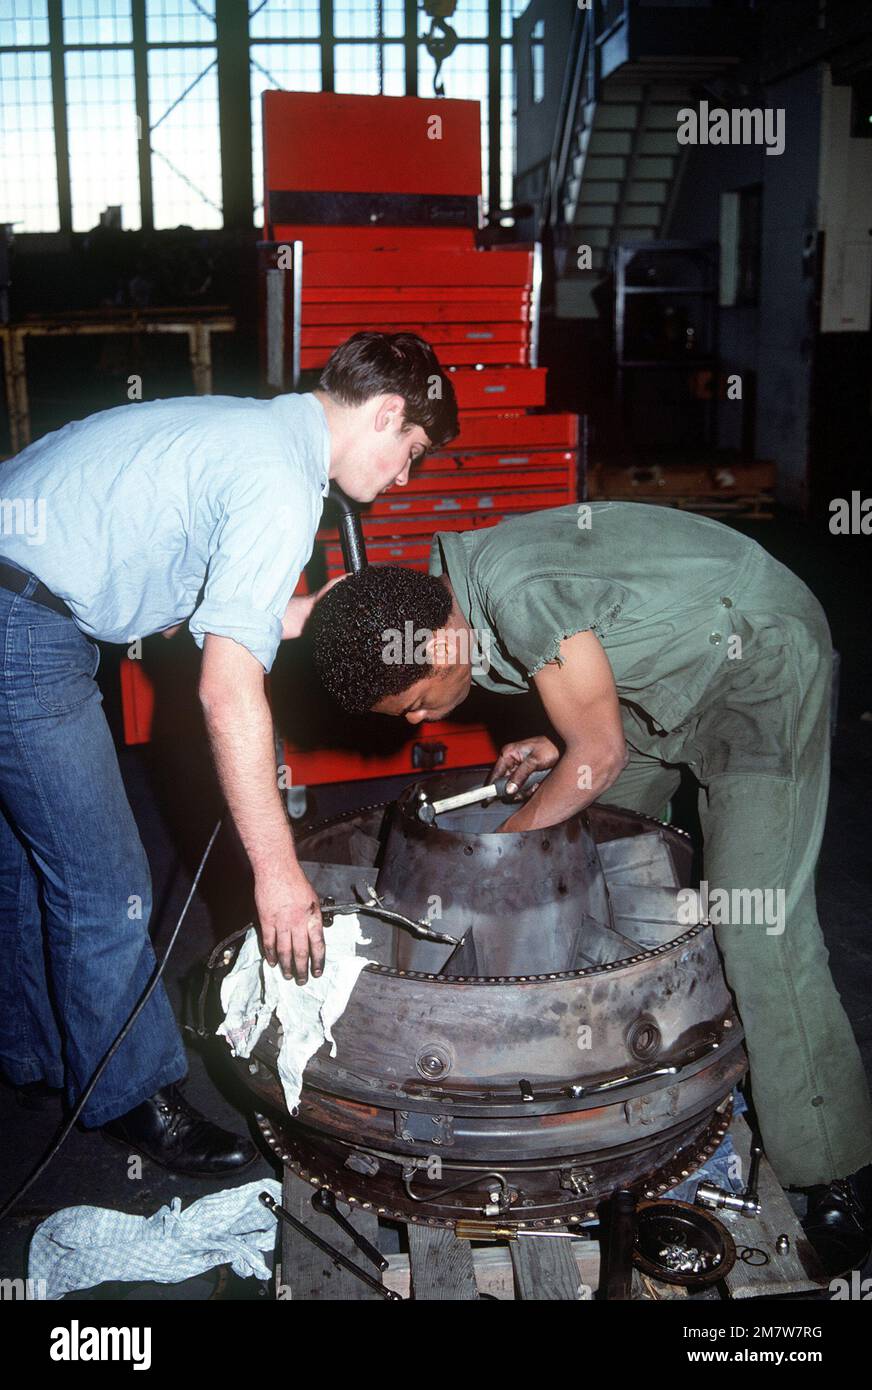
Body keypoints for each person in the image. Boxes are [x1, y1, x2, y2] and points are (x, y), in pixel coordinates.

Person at [309, 501, 872, 1276]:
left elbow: (598, 754)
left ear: (438, 644)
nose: (414, 723)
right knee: (589, 849)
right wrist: (559, 738)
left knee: (758, 920)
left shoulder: (513, 590)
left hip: (757, 664)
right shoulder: (454, 597)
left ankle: (837, 1167)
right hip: (673, 672)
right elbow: (597, 675)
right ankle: (609, 1051)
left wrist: (504, 849)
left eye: (411, 702)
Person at [0, 331, 458, 1176]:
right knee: (107, 889)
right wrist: (278, 876)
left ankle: (32, 1060)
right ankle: (131, 1100)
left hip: (19, 589)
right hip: (24, 631)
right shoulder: (283, 482)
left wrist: (314, 608)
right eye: (411, 454)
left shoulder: (252, 431)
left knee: (29, 864)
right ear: (389, 412)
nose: (403, 479)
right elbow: (225, 687)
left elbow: (216, 612)